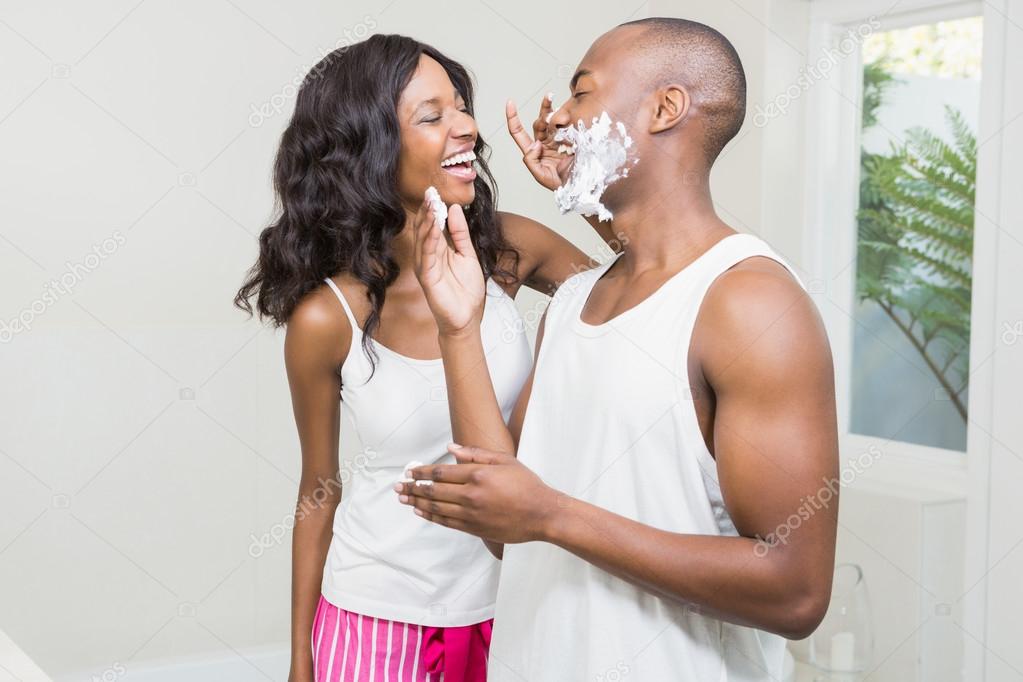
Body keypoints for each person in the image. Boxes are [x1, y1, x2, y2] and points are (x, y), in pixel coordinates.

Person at [398, 18, 840, 681]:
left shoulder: (750, 304)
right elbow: (503, 525)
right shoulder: (578, 300)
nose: (558, 119)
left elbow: (795, 591)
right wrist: (457, 329)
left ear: (663, 108)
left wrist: (553, 515)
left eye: (581, 92)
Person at [234, 33, 588, 682]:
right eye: (433, 116)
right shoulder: (325, 319)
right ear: (370, 150)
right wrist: (299, 659)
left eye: (461, 107)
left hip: (512, 606)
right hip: (375, 618)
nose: (468, 129)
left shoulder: (505, 250)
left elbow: (644, 297)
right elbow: (318, 489)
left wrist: (579, 187)